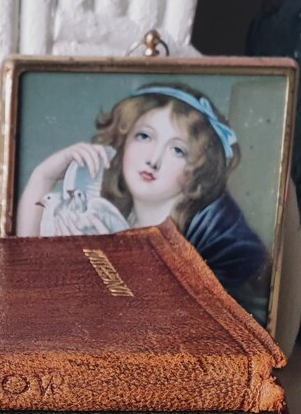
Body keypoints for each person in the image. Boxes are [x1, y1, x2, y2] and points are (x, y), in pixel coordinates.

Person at [15, 83, 268, 293]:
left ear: (199, 168)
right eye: (144, 136)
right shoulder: (113, 216)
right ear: (123, 139)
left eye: (177, 150)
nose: (153, 160)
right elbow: (27, 273)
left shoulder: (207, 243)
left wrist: (104, 264)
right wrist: (44, 176)